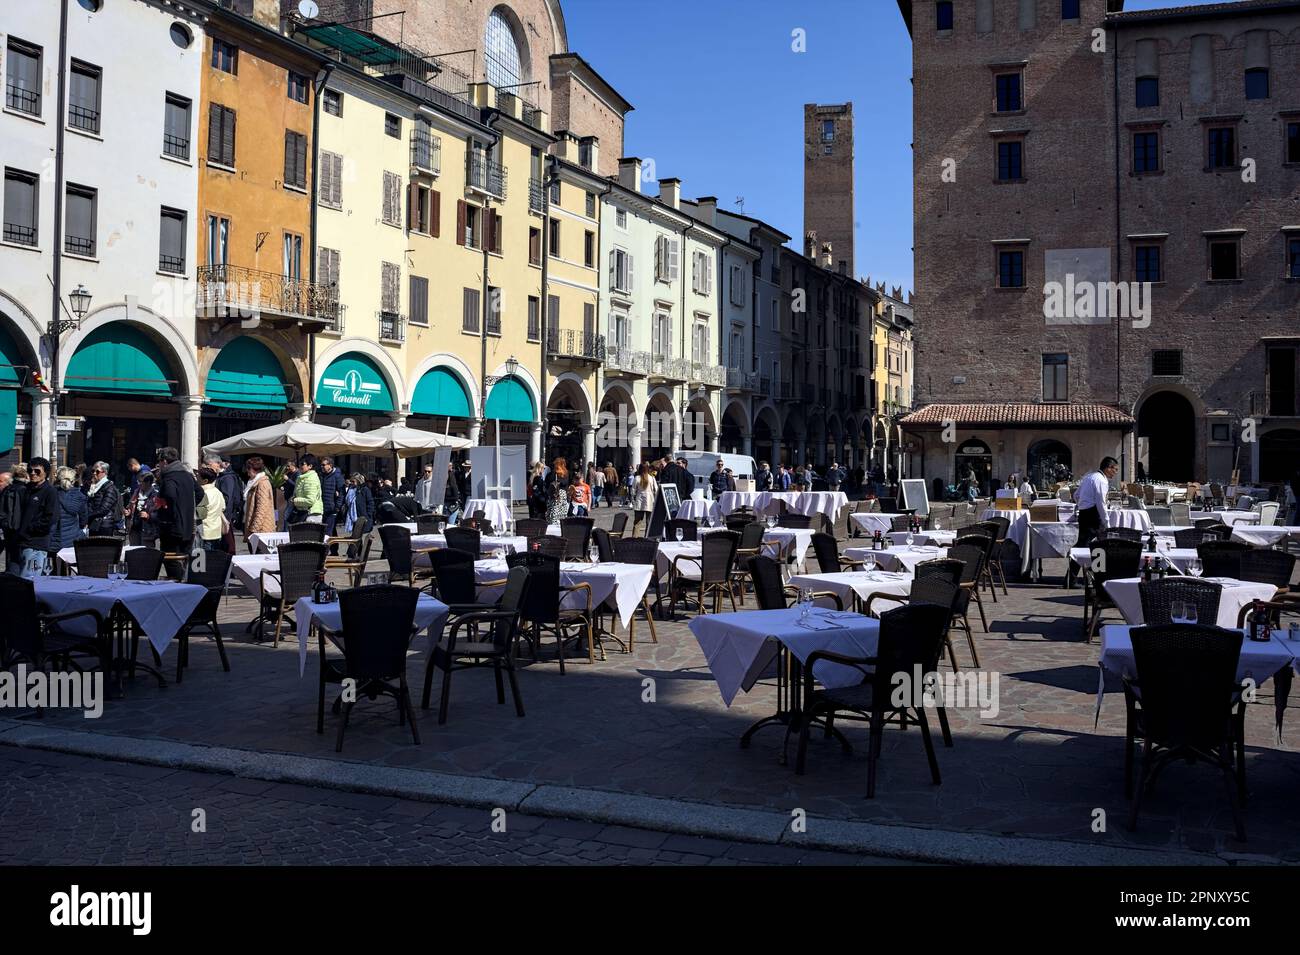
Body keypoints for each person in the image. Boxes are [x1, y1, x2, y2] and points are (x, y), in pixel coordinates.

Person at [12, 458, 57, 577]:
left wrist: (30, 529)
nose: (32, 473)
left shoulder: (50, 492)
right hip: (21, 542)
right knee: (19, 581)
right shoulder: (26, 489)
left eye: (37, 471)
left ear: (45, 473)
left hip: (36, 544)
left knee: (29, 580)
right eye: (30, 470)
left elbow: (50, 518)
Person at [155, 447, 201, 558]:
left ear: (164, 461)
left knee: (172, 560)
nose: (159, 465)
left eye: (159, 462)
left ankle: (177, 576)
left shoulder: (169, 477)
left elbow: (170, 495)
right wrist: (188, 507)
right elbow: (200, 493)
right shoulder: (188, 475)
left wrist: (168, 508)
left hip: (172, 528)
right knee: (184, 557)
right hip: (188, 526)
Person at [1076, 456, 1120, 549]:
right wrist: (1106, 522)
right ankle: (1081, 562)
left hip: (1083, 514)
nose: (1116, 473)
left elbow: (1076, 495)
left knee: (1083, 543)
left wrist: (1082, 505)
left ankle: (1076, 562)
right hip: (1093, 516)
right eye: (1115, 469)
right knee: (1094, 546)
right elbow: (1101, 503)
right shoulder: (1101, 480)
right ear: (1109, 468)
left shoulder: (1089, 477)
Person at [49, 466, 89, 559]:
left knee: (52, 569)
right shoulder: (79, 496)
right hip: (72, 538)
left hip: (52, 539)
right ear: (73, 480)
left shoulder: (50, 493)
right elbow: (83, 520)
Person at [206, 455, 242, 554]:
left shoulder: (227, 478)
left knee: (227, 540)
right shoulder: (222, 477)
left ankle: (227, 559)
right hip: (222, 514)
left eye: (209, 465)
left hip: (225, 514)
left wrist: (222, 512)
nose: (207, 467)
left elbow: (227, 498)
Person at [242, 456, 276, 548]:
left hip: (261, 531)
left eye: (248, 469)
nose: (247, 473)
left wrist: (254, 529)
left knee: (259, 557)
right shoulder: (253, 482)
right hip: (254, 528)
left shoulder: (262, 483)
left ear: (253, 469)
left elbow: (262, 508)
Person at [85, 461, 121, 536]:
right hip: (95, 524)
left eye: (97, 471)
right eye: (93, 471)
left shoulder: (109, 488)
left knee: (102, 547)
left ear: (104, 472)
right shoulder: (95, 486)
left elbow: (104, 509)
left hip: (104, 525)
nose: (94, 473)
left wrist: (88, 515)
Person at [126, 473, 161, 547]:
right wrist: (128, 511)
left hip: (148, 530)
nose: (139, 484)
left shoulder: (155, 495)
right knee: (134, 551)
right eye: (138, 481)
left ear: (148, 482)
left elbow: (159, 513)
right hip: (134, 528)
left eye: (141, 482)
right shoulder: (136, 492)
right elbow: (130, 506)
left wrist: (149, 516)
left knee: (146, 553)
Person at [195, 467, 226, 551]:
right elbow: (223, 507)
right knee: (213, 559)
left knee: (203, 560)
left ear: (205, 481)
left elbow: (199, 514)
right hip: (216, 531)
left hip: (204, 531)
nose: (196, 479)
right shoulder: (218, 492)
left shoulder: (202, 493)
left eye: (198, 477)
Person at [291, 454, 323, 524]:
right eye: (299, 463)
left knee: (307, 535)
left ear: (310, 466)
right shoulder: (302, 477)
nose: (300, 465)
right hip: (304, 513)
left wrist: (295, 500)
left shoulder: (311, 479)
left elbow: (310, 500)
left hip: (311, 515)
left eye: (302, 464)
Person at [319, 457, 346, 538]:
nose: (322, 467)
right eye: (321, 465)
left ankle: (326, 550)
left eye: (323, 465)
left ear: (330, 465)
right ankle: (334, 549)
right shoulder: (322, 475)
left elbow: (342, 493)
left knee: (327, 532)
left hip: (332, 508)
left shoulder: (337, 476)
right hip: (324, 508)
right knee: (331, 530)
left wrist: (337, 507)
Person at [632, 462, 658, 536]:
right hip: (650, 501)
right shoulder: (652, 478)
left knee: (637, 522)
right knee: (649, 522)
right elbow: (656, 489)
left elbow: (633, 491)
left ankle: (635, 537)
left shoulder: (637, 478)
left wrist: (633, 498)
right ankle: (647, 537)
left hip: (639, 501)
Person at [545, 457, 571, 525]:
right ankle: (554, 524)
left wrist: (557, 481)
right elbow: (548, 481)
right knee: (554, 510)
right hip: (556, 494)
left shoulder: (564, 473)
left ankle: (555, 524)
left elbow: (565, 482)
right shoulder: (555, 473)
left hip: (559, 495)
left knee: (556, 511)